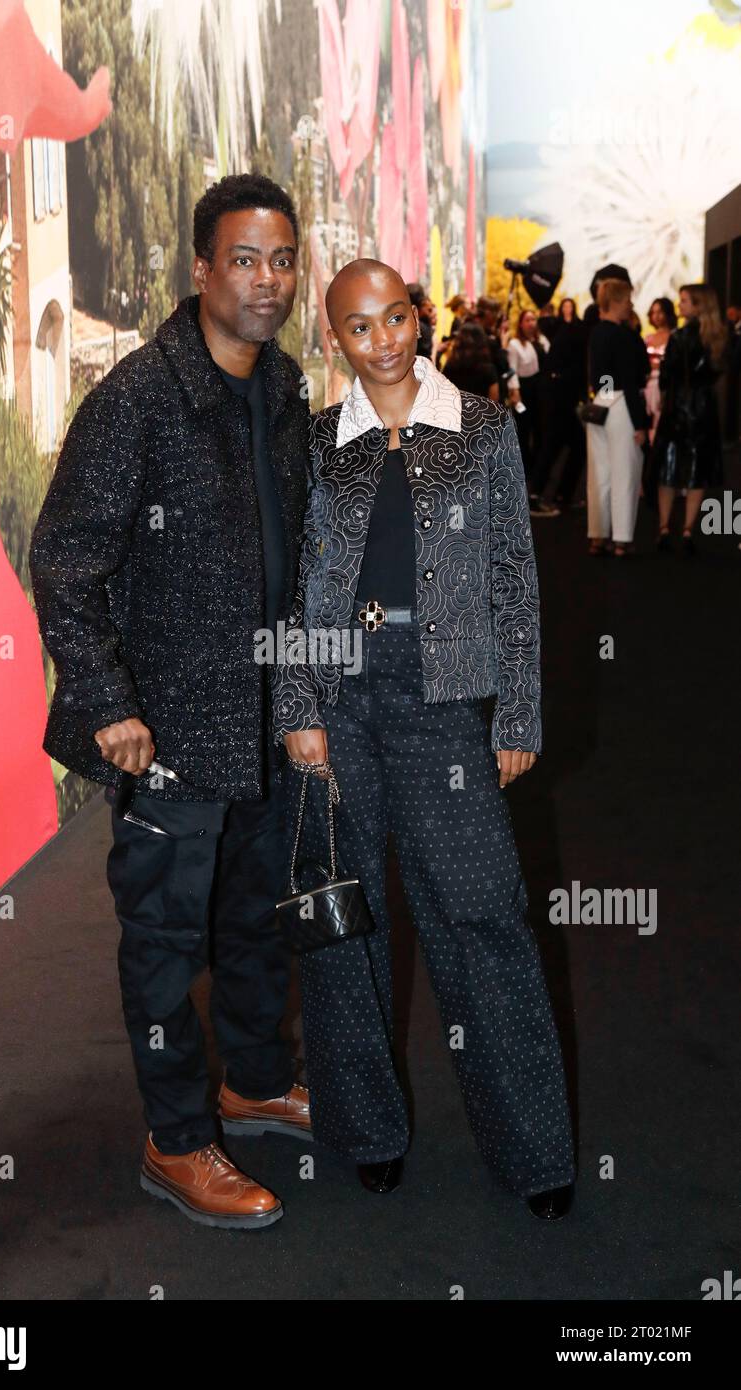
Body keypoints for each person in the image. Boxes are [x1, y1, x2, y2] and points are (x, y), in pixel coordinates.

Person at [29, 173, 312, 1231]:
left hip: (262, 724)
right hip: (169, 735)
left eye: (281, 258)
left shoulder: (279, 393)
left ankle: (251, 1078)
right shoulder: (140, 398)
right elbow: (62, 560)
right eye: (243, 258)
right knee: (161, 945)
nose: (266, 279)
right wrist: (107, 701)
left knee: (252, 923)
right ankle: (177, 1137)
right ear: (200, 269)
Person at [272, 258, 576, 1221]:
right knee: (341, 921)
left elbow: (514, 580)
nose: (384, 340)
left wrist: (519, 711)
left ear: (418, 316)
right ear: (338, 340)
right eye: (359, 327)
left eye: (395, 316)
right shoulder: (323, 442)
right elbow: (303, 586)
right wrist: (301, 708)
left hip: (443, 701)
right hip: (343, 697)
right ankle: (365, 1130)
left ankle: (535, 1149)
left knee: (484, 915)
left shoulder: (482, 429)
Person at [652, 283, 728, 555]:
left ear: (698, 304)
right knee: (698, 467)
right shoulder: (718, 338)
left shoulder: (679, 337)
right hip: (704, 407)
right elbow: (719, 372)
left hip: (677, 405)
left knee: (669, 466)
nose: (680, 304)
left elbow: (666, 375)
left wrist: (664, 395)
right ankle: (687, 530)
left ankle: (663, 528)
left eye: (684, 300)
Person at [584, 278, 649, 557]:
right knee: (625, 472)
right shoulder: (625, 336)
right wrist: (641, 423)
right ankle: (621, 538)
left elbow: (599, 376)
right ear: (617, 302)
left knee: (599, 474)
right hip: (621, 405)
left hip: (599, 404)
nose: (631, 305)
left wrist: (606, 393)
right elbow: (632, 381)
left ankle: (598, 535)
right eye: (627, 300)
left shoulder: (597, 333)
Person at [532, 296, 587, 513]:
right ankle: (539, 494)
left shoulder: (568, 332)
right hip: (560, 397)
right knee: (553, 446)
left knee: (567, 445)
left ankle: (558, 494)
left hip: (557, 395)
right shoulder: (577, 333)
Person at [507, 308, 550, 503]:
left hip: (540, 389)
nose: (531, 323)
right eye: (528, 320)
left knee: (540, 428)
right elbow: (512, 370)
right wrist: (515, 391)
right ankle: (524, 471)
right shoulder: (515, 344)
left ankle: (537, 469)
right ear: (521, 323)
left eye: (534, 319)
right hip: (523, 391)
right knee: (523, 428)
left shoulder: (541, 341)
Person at [644, 297, 677, 445]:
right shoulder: (648, 338)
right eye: (653, 312)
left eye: (660, 312)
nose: (656, 316)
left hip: (664, 383)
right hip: (647, 384)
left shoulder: (674, 337)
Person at [441, 321, 500, 399]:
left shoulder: (450, 367)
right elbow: (494, 400)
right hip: (481, 410)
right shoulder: (488, 370)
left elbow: (443, 395)